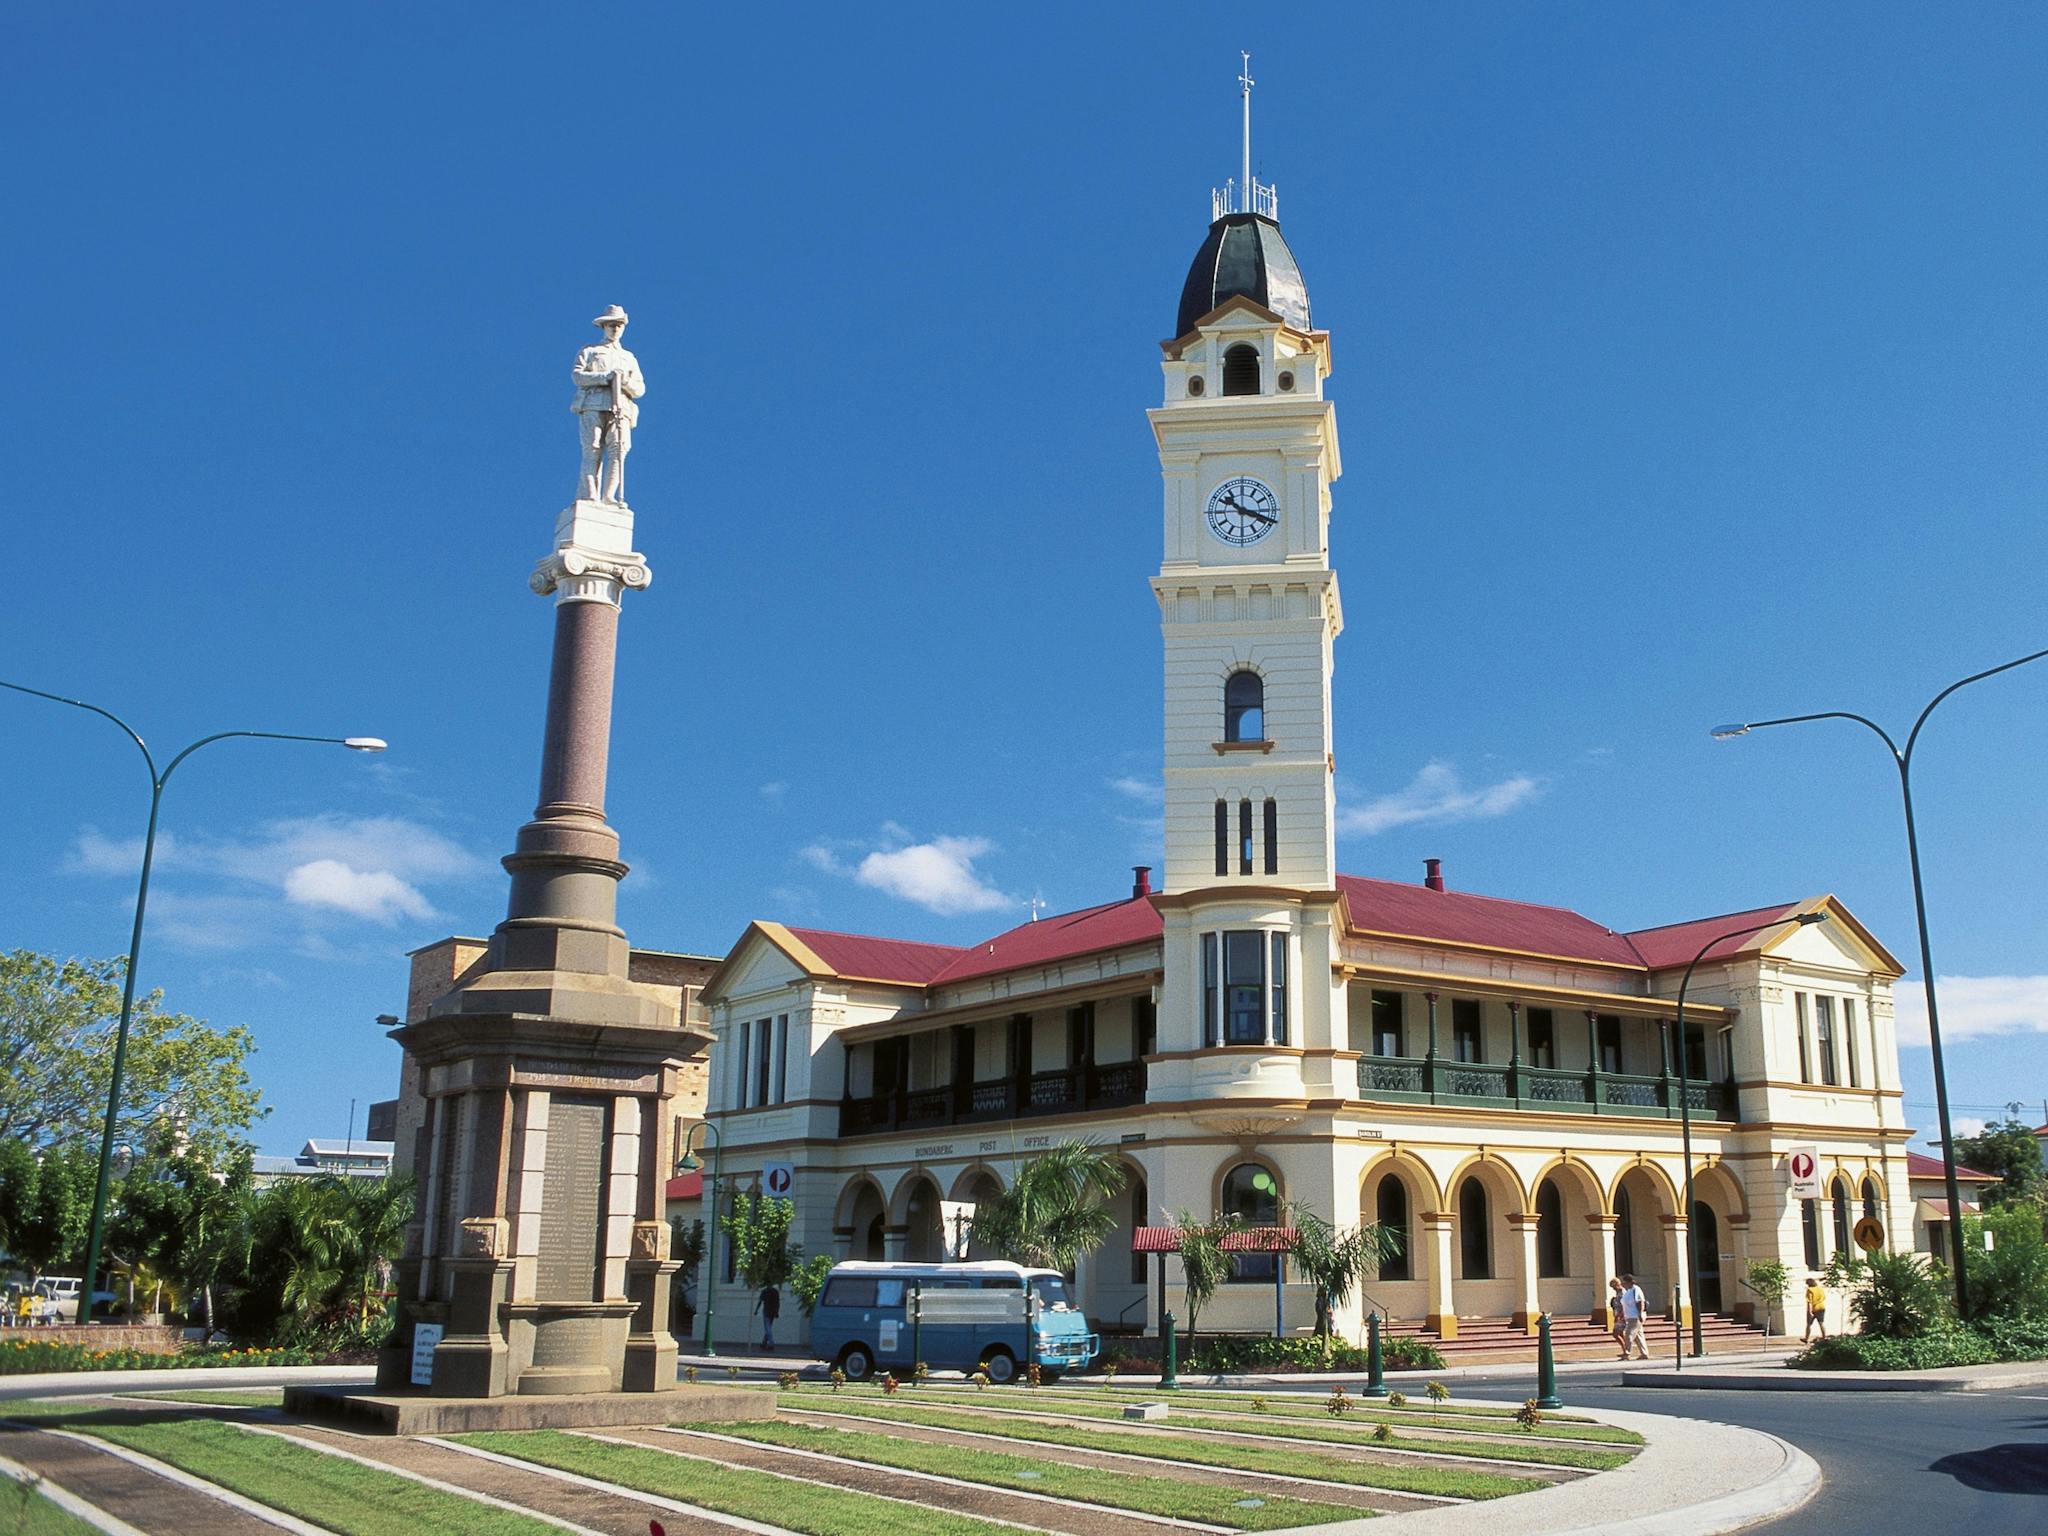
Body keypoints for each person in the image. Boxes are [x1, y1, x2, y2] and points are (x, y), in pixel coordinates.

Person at [571, 304, 645, 504]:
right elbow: (577, 377)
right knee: (592, 448)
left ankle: (609, 496)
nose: (615, 328)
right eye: (611, 324)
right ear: (604, 326)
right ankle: (590, 494)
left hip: (621, 408)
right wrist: (606, 377)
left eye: (619, 324)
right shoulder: (590, 351)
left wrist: (624, 382)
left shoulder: (628, 358)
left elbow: (640, 388)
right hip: (594, 403)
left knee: (618, 449)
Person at [1616, 1272, 1650, 1360]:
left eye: (1624, 1282)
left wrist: (1640, 1313)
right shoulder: (1628, 1291)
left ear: (1629, 1282)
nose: (1623, 1284)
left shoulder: (1636, 1290)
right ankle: (1644, 1353)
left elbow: (1640, 1302)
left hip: (1635, 1316)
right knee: (1639, 1336)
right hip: (1629, 1316)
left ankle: (1627, 1353)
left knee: (1629, 1334)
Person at [757, 1283, 782, 1351]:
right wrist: (777, 1311)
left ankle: (771, 1343)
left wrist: (756, 1310)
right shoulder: (775, 1292)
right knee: (769, 1327)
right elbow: (778, 1303)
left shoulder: (765, 1291)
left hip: (766, 1311)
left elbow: (760, 1301)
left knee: (767, 1328)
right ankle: (764, 1342)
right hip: (773, 1311)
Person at [1804, 1275, 1828, 1341]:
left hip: (1814, 1308)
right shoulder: (1820, 1289)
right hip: (1821, 1307)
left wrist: (1809, 1311)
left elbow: (1809, 1301)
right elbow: (1824, 1297)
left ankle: (1806, 1338)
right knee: (1821, 1323)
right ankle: (1824, 1337)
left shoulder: (1809, 1290)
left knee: (1809, 1324)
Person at [1606, 1277, 1626, 1353]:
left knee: (1615, 1334)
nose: (1613, 1289)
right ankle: (1626, 1350)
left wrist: (1619, 1316)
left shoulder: (1622, 1293)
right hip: (1618, 1314)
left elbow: (1624, 1305)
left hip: (1622, 1316)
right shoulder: (1618, 1293)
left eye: (1613, 1287)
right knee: (1620, 1333)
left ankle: (1625, 1349)